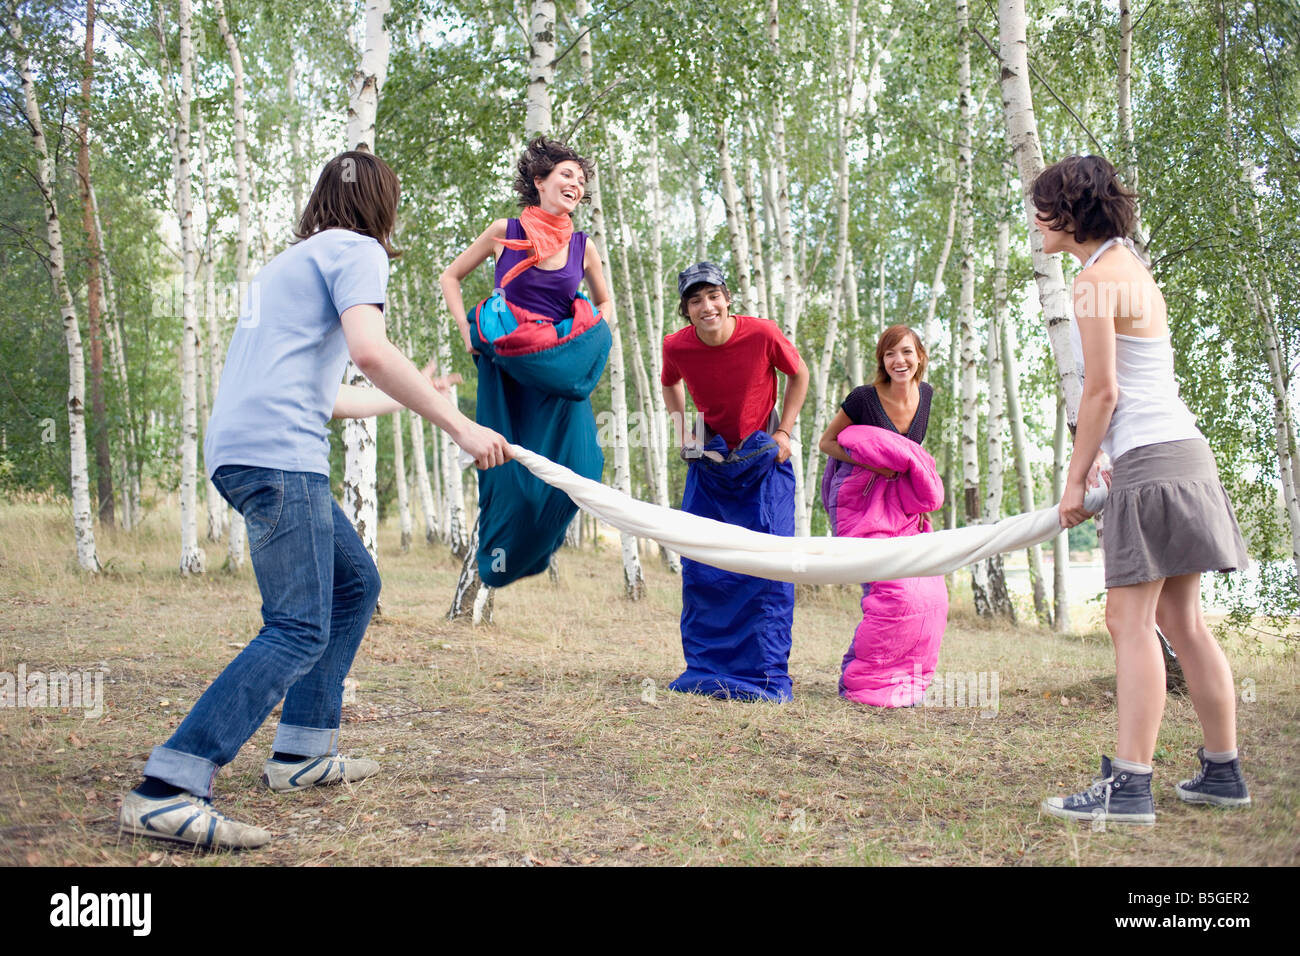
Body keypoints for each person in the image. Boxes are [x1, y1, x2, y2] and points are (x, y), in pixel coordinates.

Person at [118, 151, 510, 849]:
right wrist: (461, 425)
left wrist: (403, 397)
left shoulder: (287, 267)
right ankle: (170, 785)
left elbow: (326, 392)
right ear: (381, 207)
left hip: (246, 448)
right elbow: (370, 350)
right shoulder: (359, 251)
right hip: (278, 457)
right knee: (298, 624)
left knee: (355, 582)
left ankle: (301, 750)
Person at [1034, 155, 1251, 826]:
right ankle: (1223, 772)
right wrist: (1101, 457)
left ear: (1069, 214)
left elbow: (1103, 390)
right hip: (1187, 456)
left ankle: (1128, 786)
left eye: (1042, 208)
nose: (1035, 221)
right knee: (1181, 622)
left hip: (1152, 463)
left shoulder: (1094, 279)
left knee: (1128, 622)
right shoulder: (1132, 269)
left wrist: (1075, 476)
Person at [438, 136, 612, 588]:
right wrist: (465, 329)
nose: (575, 182)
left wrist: (586, 339)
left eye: (580, 178)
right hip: (509, 373)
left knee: (584, 470)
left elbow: (605, 302)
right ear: (540, 181)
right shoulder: (505, 232)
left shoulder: (582, 246)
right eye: (566, 174)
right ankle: (499, 562)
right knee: (511, 480)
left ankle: (534, 553)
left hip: (560, 373)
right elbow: (450, 276)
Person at [661, 262, 810, 701]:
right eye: (695, 300)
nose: (706, 306)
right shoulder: (677, 346)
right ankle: (707, 669)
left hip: (762, 456)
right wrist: (681, 429)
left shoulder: (762, 333)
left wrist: (785, 432)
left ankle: (762, 675)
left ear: (727, 299)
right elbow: (669, 383)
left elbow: (799, 373)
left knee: (767, 566)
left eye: (713, 296)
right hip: (711, 460)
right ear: (686, 310)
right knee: (705, 564)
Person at [818, 326, 947, 706]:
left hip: (901, 505)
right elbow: (827, 443)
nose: (899, 361)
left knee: (930, 592)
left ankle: (904, 682)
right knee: (893, 591)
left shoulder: (926, 395)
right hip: (862, 499)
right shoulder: (864, 398)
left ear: (920, 356)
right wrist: (874, 461)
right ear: (882, 361)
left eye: (906, 352)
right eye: (890, 354)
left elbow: (910, 453)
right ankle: (863, 680)